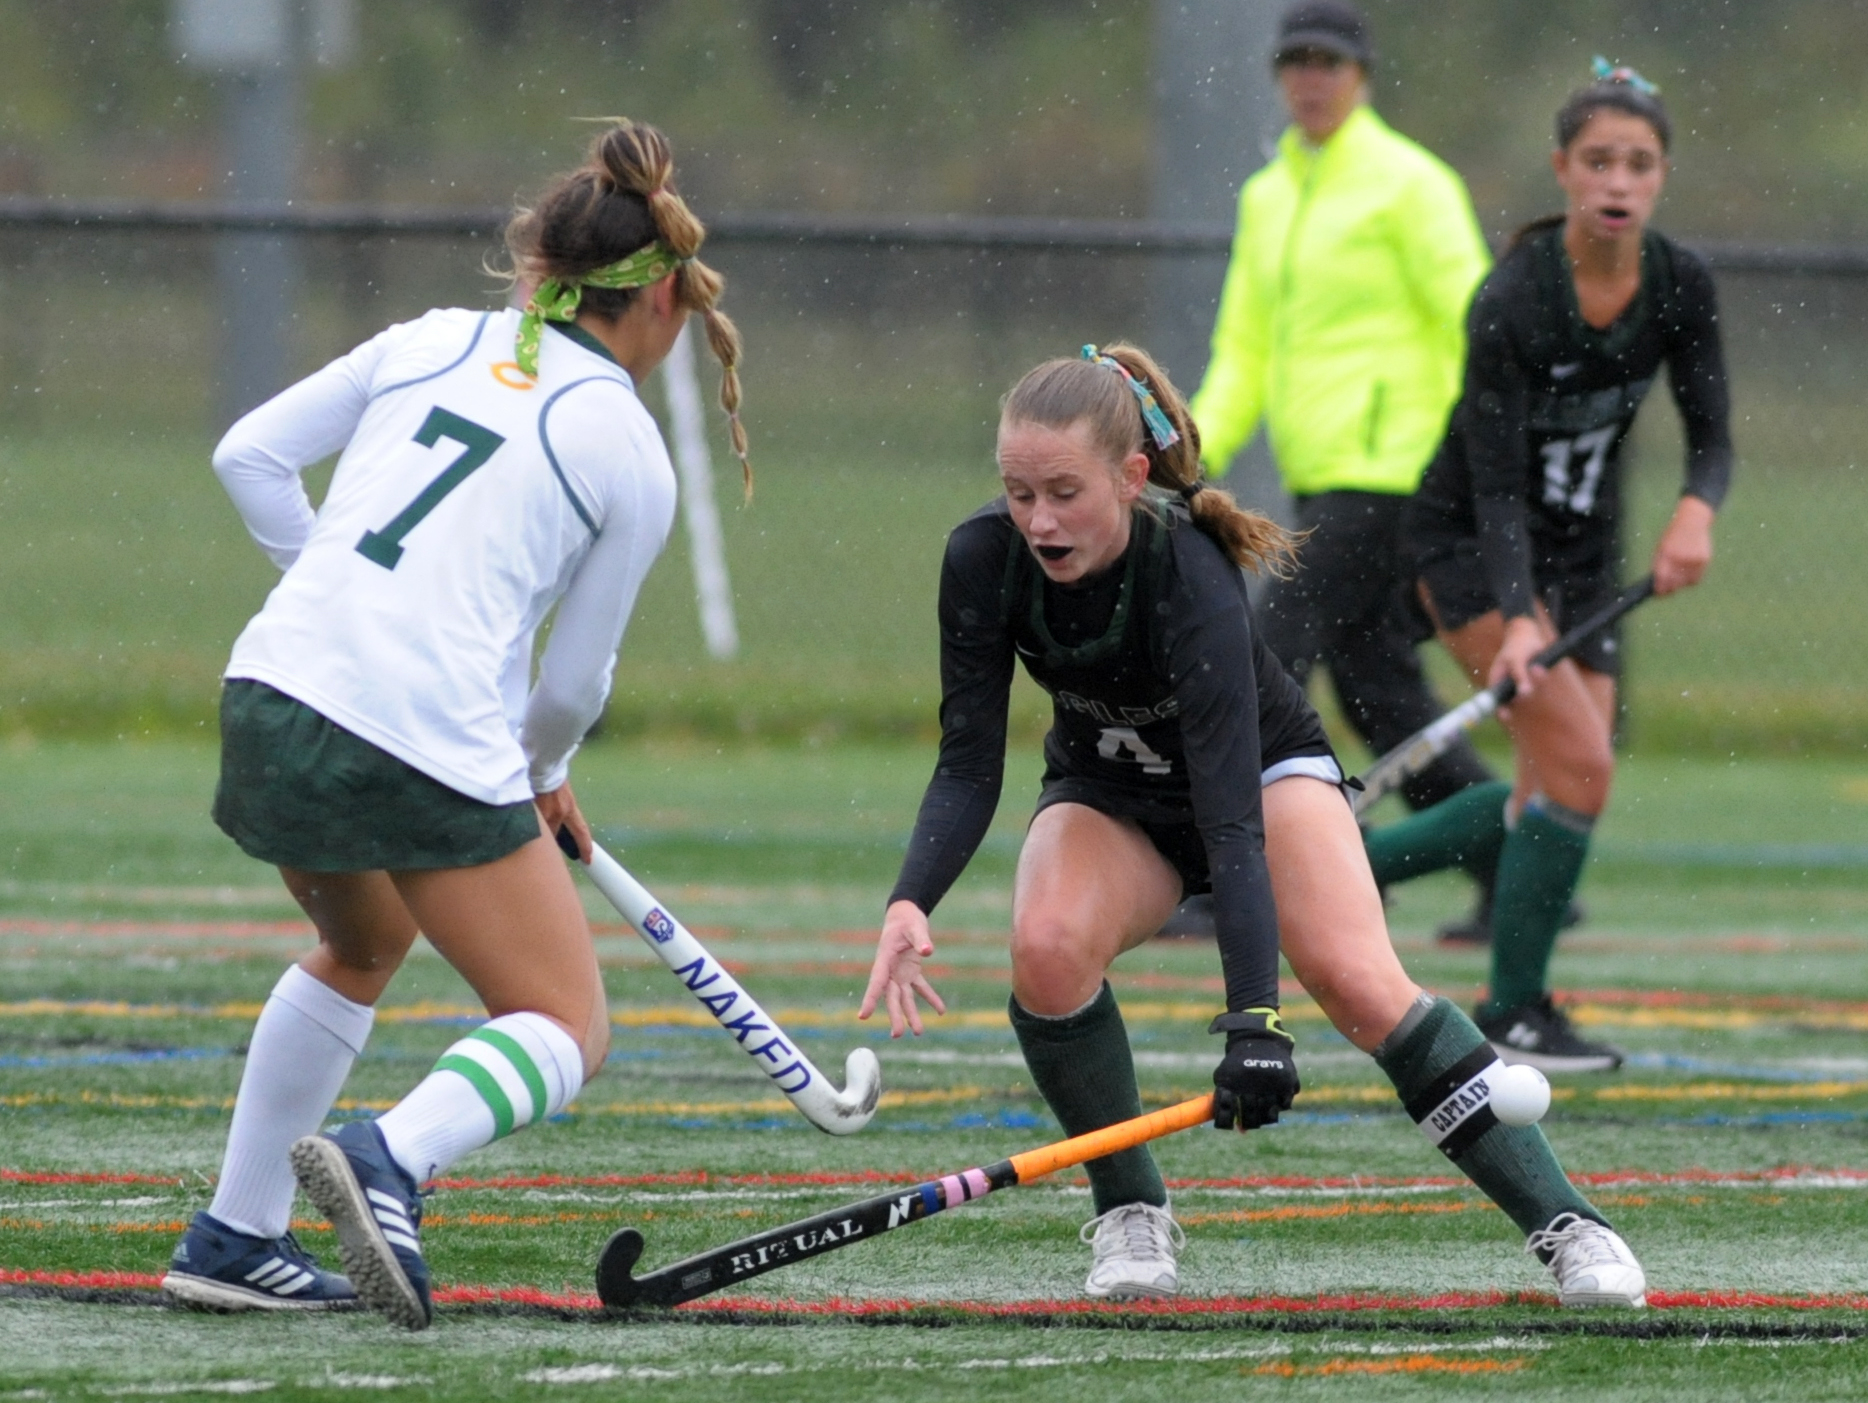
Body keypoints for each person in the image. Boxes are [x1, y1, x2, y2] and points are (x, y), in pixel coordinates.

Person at [859, 343, 1646, 1308]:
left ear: (1132, 476)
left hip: (1262, 780)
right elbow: (971, 758)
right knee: (1048, 946)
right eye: (1019, 492)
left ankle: (1570, 1224)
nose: (1038, 519)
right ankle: (1130, 1211)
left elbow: (1231, 817)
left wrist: (1256, 1024)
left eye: (1064, 491)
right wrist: (911, 899)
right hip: (1112, 793)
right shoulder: (981, 559)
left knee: (1361, 984)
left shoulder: (1188, 568)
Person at [159, 120, 747, 1329]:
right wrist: (542, 769)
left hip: (271, 694)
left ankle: (235, 1234)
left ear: (540, 271)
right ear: (664, 305)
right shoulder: (627, 447)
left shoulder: (427, 339)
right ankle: (390, 1158)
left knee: (363, 941)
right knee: (565, 1021)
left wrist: (334, 583)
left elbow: (247, 453)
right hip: (416, 728)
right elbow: (572, 688)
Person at [1373, 61, 1732, 1072]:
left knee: (1551, 788)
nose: (1617, 182)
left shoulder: (1678, 283)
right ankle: (1514, 1007)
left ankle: (1324, 873)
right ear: (1562, 170)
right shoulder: (1511, 301)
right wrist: (1519, 616)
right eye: (1597, 161)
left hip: (1584, 554)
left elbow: (1712, 436)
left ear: (1661, 175)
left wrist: (1695, 511)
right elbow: (1492, 486)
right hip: (1469, 546)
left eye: (1639, 163)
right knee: (1580, 765)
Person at [1189, 0, 1505, 944]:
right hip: (1323, 479)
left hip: (1397, 476)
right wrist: (1182, 451)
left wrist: (1472, 466)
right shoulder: (1268, 196)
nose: (1312, 80)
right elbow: (1242, 348)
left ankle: (1236, 876)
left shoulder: (1412, 184)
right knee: (1381, 696)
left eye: (1329, 62)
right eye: (1297, 62)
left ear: (1362, 73)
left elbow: (1477, 326)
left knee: (1260, 656)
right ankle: (1512, 859)